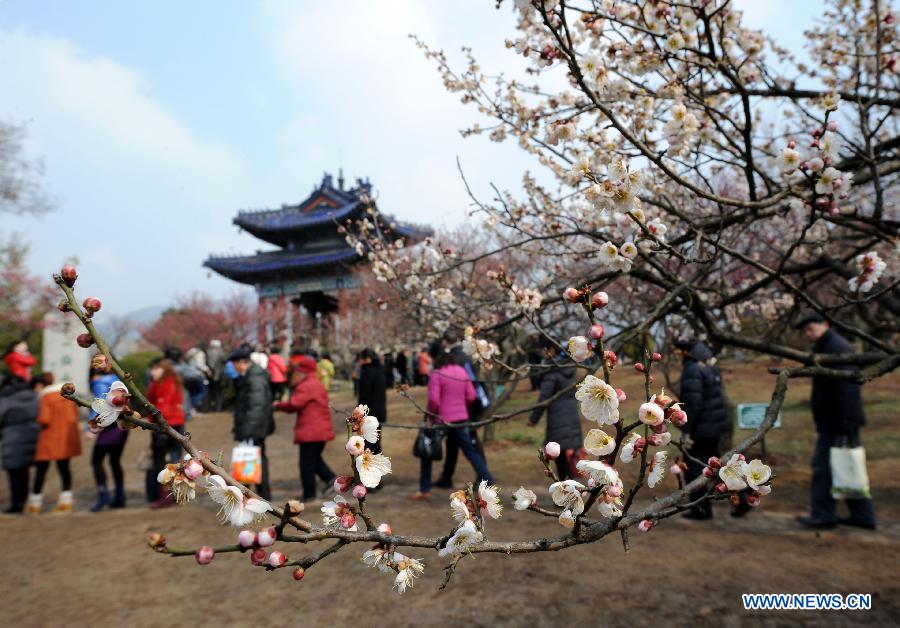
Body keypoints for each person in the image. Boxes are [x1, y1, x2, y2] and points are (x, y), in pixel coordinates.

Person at [794, 313, 877, 530]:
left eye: (811, 328)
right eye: (806, 330)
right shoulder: (828, 345)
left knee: (825, 467)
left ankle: (823, 514)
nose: (807, 334)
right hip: (838, 419)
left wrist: (844, 422)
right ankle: (863, 515)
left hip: (839, 421)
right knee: (847, 466)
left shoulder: (835, 347)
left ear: (825, 325)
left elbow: (844, 389)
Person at [410, 343, 494, 500]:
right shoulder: (461, 371)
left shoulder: (437, 374)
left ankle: (424, 488)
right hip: (461, 418)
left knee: (427, 451)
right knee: (470, 450)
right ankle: (487, 477)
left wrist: (430, 415)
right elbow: (471, 396)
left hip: (441, 419)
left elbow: (434, 400)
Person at [674, 338, 730, 521]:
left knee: (693, 468)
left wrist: (687, 431)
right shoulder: (708, 367)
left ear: (687, 353)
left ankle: (700, 510)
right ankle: (744, 498)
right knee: (717, 466)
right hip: (713, 427)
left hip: (701, 429)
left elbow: (693, 404)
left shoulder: (692, 370)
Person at [433, 329, 490, 489]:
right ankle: (446, 477)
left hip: (466, 408)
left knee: (470, 442)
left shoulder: (458, 359)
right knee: (453, 442)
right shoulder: (464, 356)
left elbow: (470, 385)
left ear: (445, 342)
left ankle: (484, 477)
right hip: (465, 406)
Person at [274, 356, 336, 501]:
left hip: (311, 431)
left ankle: (310, 493)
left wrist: (278, 405)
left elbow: (294, 404)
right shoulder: (316, 383)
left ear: (303, 371)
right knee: (313, 459)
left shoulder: (306, 385)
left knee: (306, 463)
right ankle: (330, 478)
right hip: (319, 429)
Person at [527, 337, 583, 480]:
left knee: (560, 457)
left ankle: (565, 493)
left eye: (545, 350)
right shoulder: (569, 365)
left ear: (551, 350)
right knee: (567, 456)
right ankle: (570, 490)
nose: (543, 353)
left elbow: (544, 396)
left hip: (558, 418)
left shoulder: (552, 370)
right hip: (571, 415)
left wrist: (534, 419)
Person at [30, 373, 81, 514]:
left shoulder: (46, 397)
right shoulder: (67, 396)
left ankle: (35, 503)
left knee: (41, 471)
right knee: (64, 469)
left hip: (49, 438)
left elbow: (44, 419)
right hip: (66, 439)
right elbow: (75, 415)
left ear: (40, 385)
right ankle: (66, 501)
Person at [230, 347, 274, 500]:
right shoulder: (251, 375)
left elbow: (257, 406)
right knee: (255, 459)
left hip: (254, 428)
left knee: (253, 459)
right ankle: (259, 493)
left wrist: (247, 430)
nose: (233, 367)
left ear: (242, 362)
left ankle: (258, 494)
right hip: (254, 427)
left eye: (234, 363)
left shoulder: (254, 377)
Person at [145, 358, 186, 508]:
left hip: (164, 425)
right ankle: (175, 494)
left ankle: (165, 496)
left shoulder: (164, 383)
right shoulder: (172, 381)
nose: (152, 372)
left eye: (155, 369)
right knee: (175, 460)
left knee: (161, 462)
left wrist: (155, 421)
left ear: (163, 369)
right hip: (175, 423)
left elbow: (160, 405)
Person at [89, 364, 129, 512]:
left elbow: (99, 404)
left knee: (96, 461)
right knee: (114, 461)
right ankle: (119, 496)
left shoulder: (99, 382)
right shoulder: (118, 381)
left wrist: (93, 425)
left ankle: (103, 494)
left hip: (108, 426)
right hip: (121, 425)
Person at [0, 374, 40, 513]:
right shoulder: (34, 396)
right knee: (24, 471)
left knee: (14, 471)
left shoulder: (5, 398)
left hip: (12, 436)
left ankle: (16, 504)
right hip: (32, 433)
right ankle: (22, 501)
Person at [357, 348, 387, 456]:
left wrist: (359, 413)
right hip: (379, 412)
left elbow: (364, 396)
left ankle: (371, 470)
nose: (359, 362)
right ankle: (377, 468)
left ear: (367, 359)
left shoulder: (367, 372)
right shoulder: (379, 370)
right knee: (376, 442)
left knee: (369, 446)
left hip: (369, 413)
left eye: (361, 359)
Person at [206, 339, 226, 411]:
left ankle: (208, 407)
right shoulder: (220, 353)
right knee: (219, 393)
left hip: (209, 375)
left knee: (210, 392)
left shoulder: (208, 353)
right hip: (219, 375)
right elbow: (225, 360)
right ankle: (218, 408)